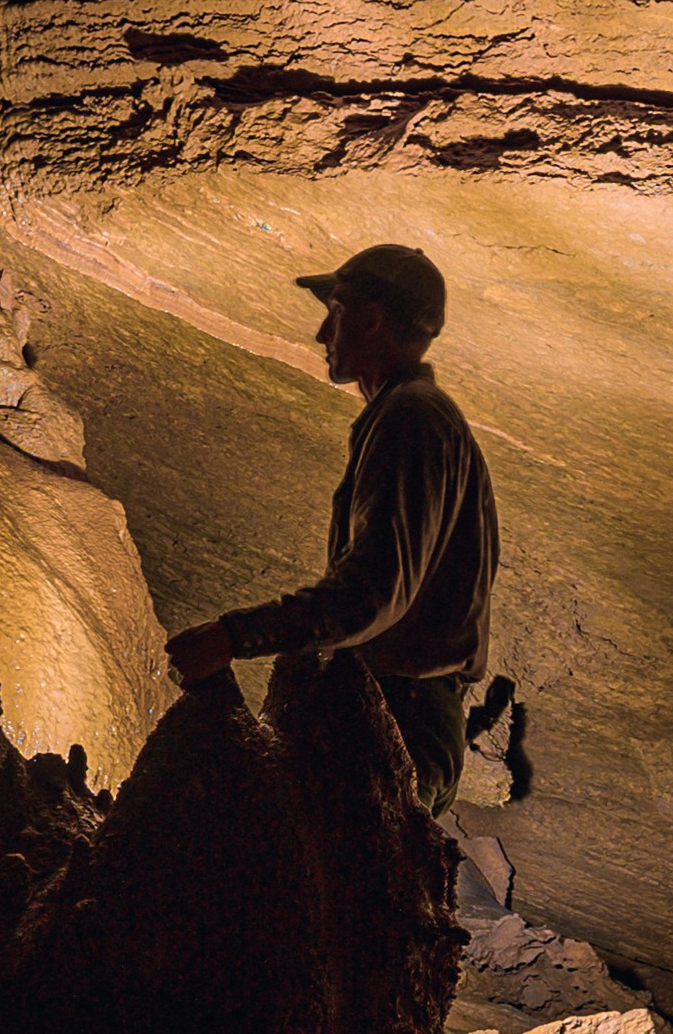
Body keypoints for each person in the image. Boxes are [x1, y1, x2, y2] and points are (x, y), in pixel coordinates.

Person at [166, 239, 497, 816]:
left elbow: (372, 594)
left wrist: (234, 636)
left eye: (334, 313)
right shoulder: (414, 415)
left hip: (400, 716)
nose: (322, 335)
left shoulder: (411, 416)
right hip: (407, 711)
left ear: (369, 320)